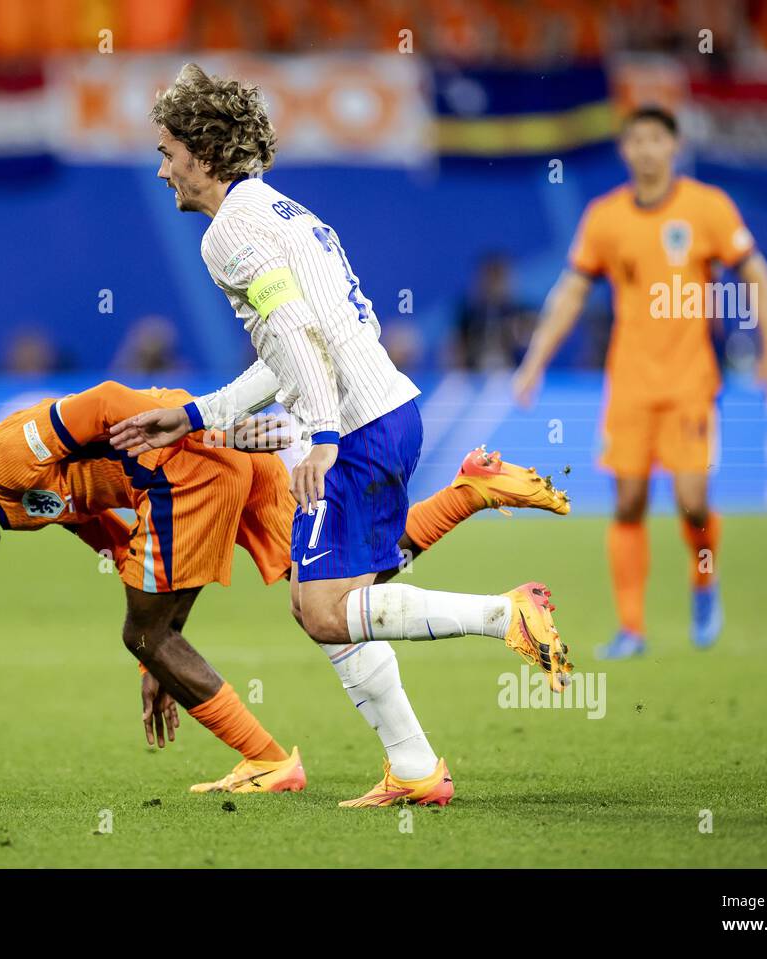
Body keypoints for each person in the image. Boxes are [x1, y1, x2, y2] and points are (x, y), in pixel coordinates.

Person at [108, 63, 573, 807]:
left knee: (325, 608)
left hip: (355, 428)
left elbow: (294, 332)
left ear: (204, 149)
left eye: (168, 151)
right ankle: (415, 767)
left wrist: (321, 434)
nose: (161, 169)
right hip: (386, 415)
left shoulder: (230, 232)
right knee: (328, 602)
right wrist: (199, 415)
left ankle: (505, 612)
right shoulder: (279, 212)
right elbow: (288, 346)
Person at [0, 379, 571, 800]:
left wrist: (155, 641)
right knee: (338, 583)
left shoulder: (0, 458)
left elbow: (102, 403)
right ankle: (472, 490)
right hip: (223, 467)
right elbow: (100, 529)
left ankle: (268, 759)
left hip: (186, 467)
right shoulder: (13, 506)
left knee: (146, 632)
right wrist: (158, 649)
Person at [511, 105, 767, 659]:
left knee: (691, 502)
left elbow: (755, 272)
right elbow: (571, 292)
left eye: (656, 139)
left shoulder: (707, 208)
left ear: (674, 146)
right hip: (630, 386)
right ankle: (631, 629)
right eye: (635, 140)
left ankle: (704, 582)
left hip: (690, 383)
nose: (645, 150)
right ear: (624, 150)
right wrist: (536, 359)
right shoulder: (606, 217)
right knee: (629, 502)